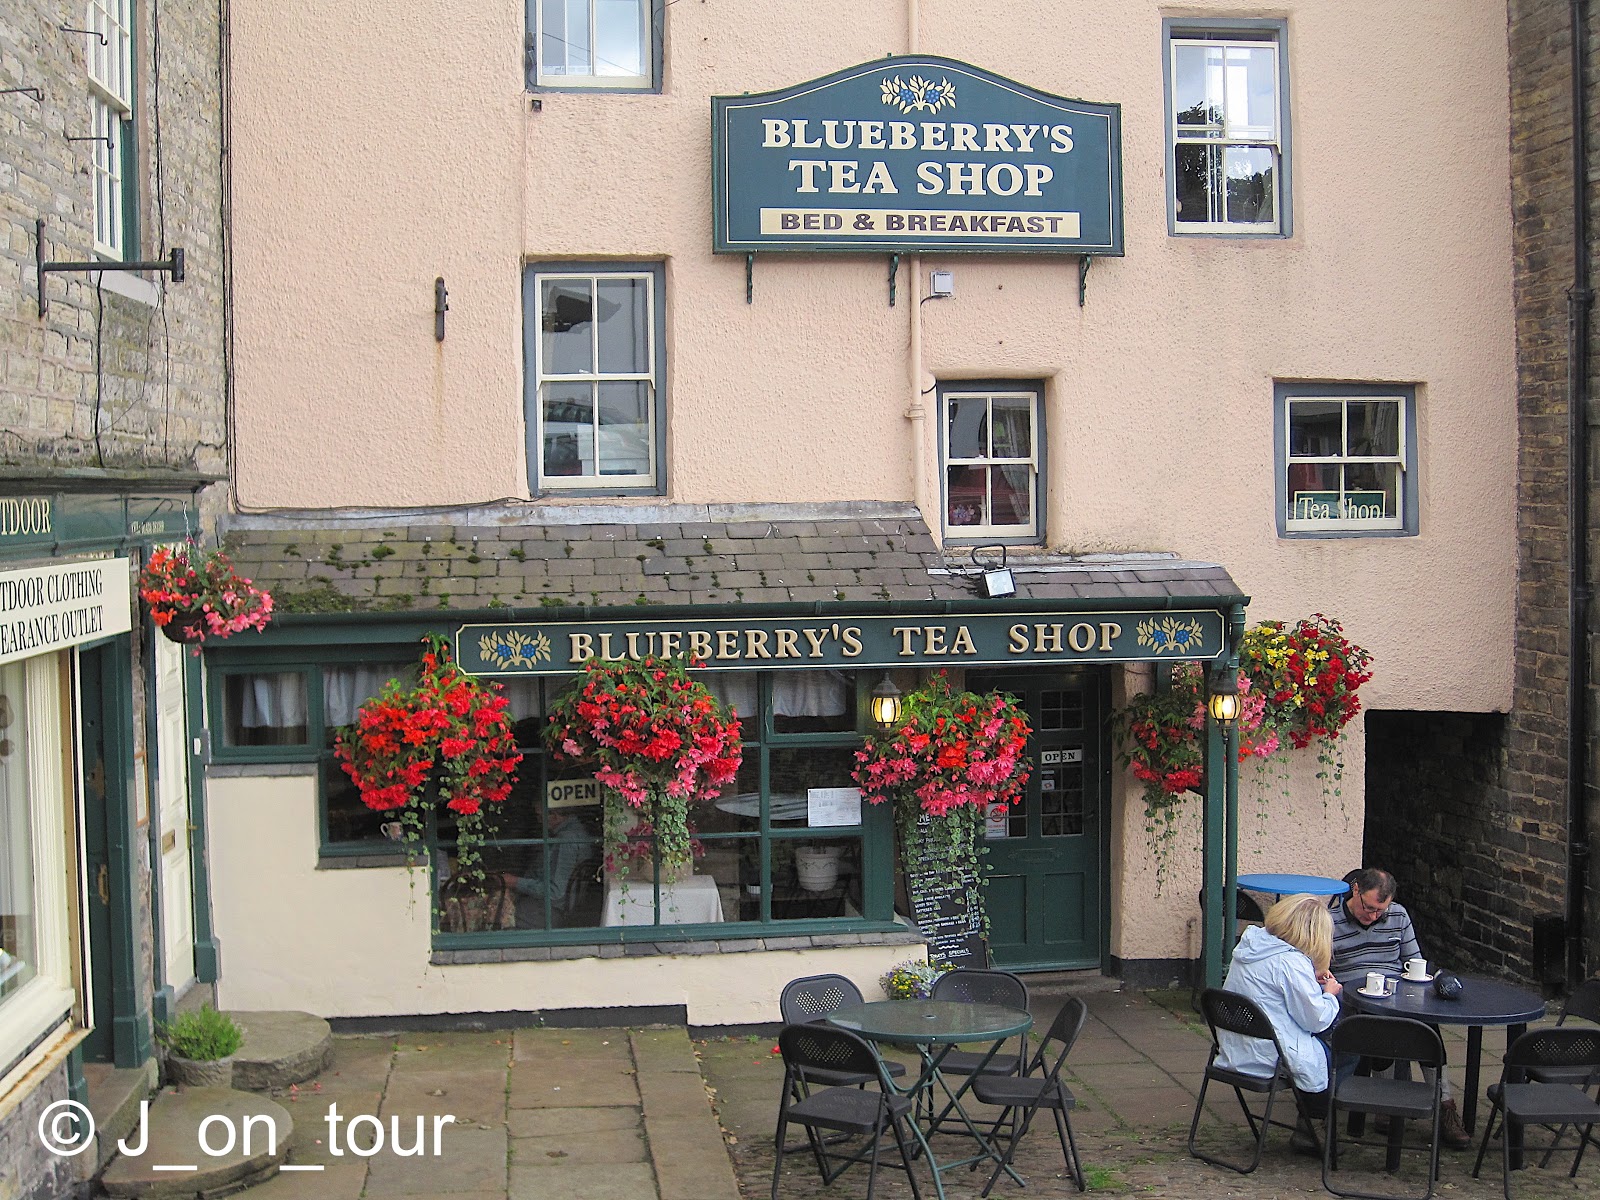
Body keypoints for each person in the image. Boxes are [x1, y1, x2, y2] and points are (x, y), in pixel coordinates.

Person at [1329, 867, 1470, 1149]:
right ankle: (1385, 1101)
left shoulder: (1399, 915)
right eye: (1369, 908)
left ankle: (1445, 1107)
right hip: (1351, 1001)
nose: (1374, 916)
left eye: (1381, 910)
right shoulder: (1329, 921)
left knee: (1426, 1027)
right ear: (1355, 890)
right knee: (1382, 1028)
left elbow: (1413, 961)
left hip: (1395, 992)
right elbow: (1320, 971)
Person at [1216, 893, 1341, 1155]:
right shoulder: (1289, 962)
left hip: (1234, 1046)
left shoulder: (1251, 944)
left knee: (1320, 1047)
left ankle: (1311, 1122)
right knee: (1334, 1049)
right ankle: (1314, 1125)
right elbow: (1315, 1019)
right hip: (1267, 1056)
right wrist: (1329, 993)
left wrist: (1309, 977)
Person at [501, 809, 590, 927]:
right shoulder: (578, 832)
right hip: (561, 906)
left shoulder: (566, 840)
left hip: (551, 910)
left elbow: (555, 892)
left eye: (540, 816)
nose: (539, 821)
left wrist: (515, 882)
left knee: (498, 912)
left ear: (555, 815)